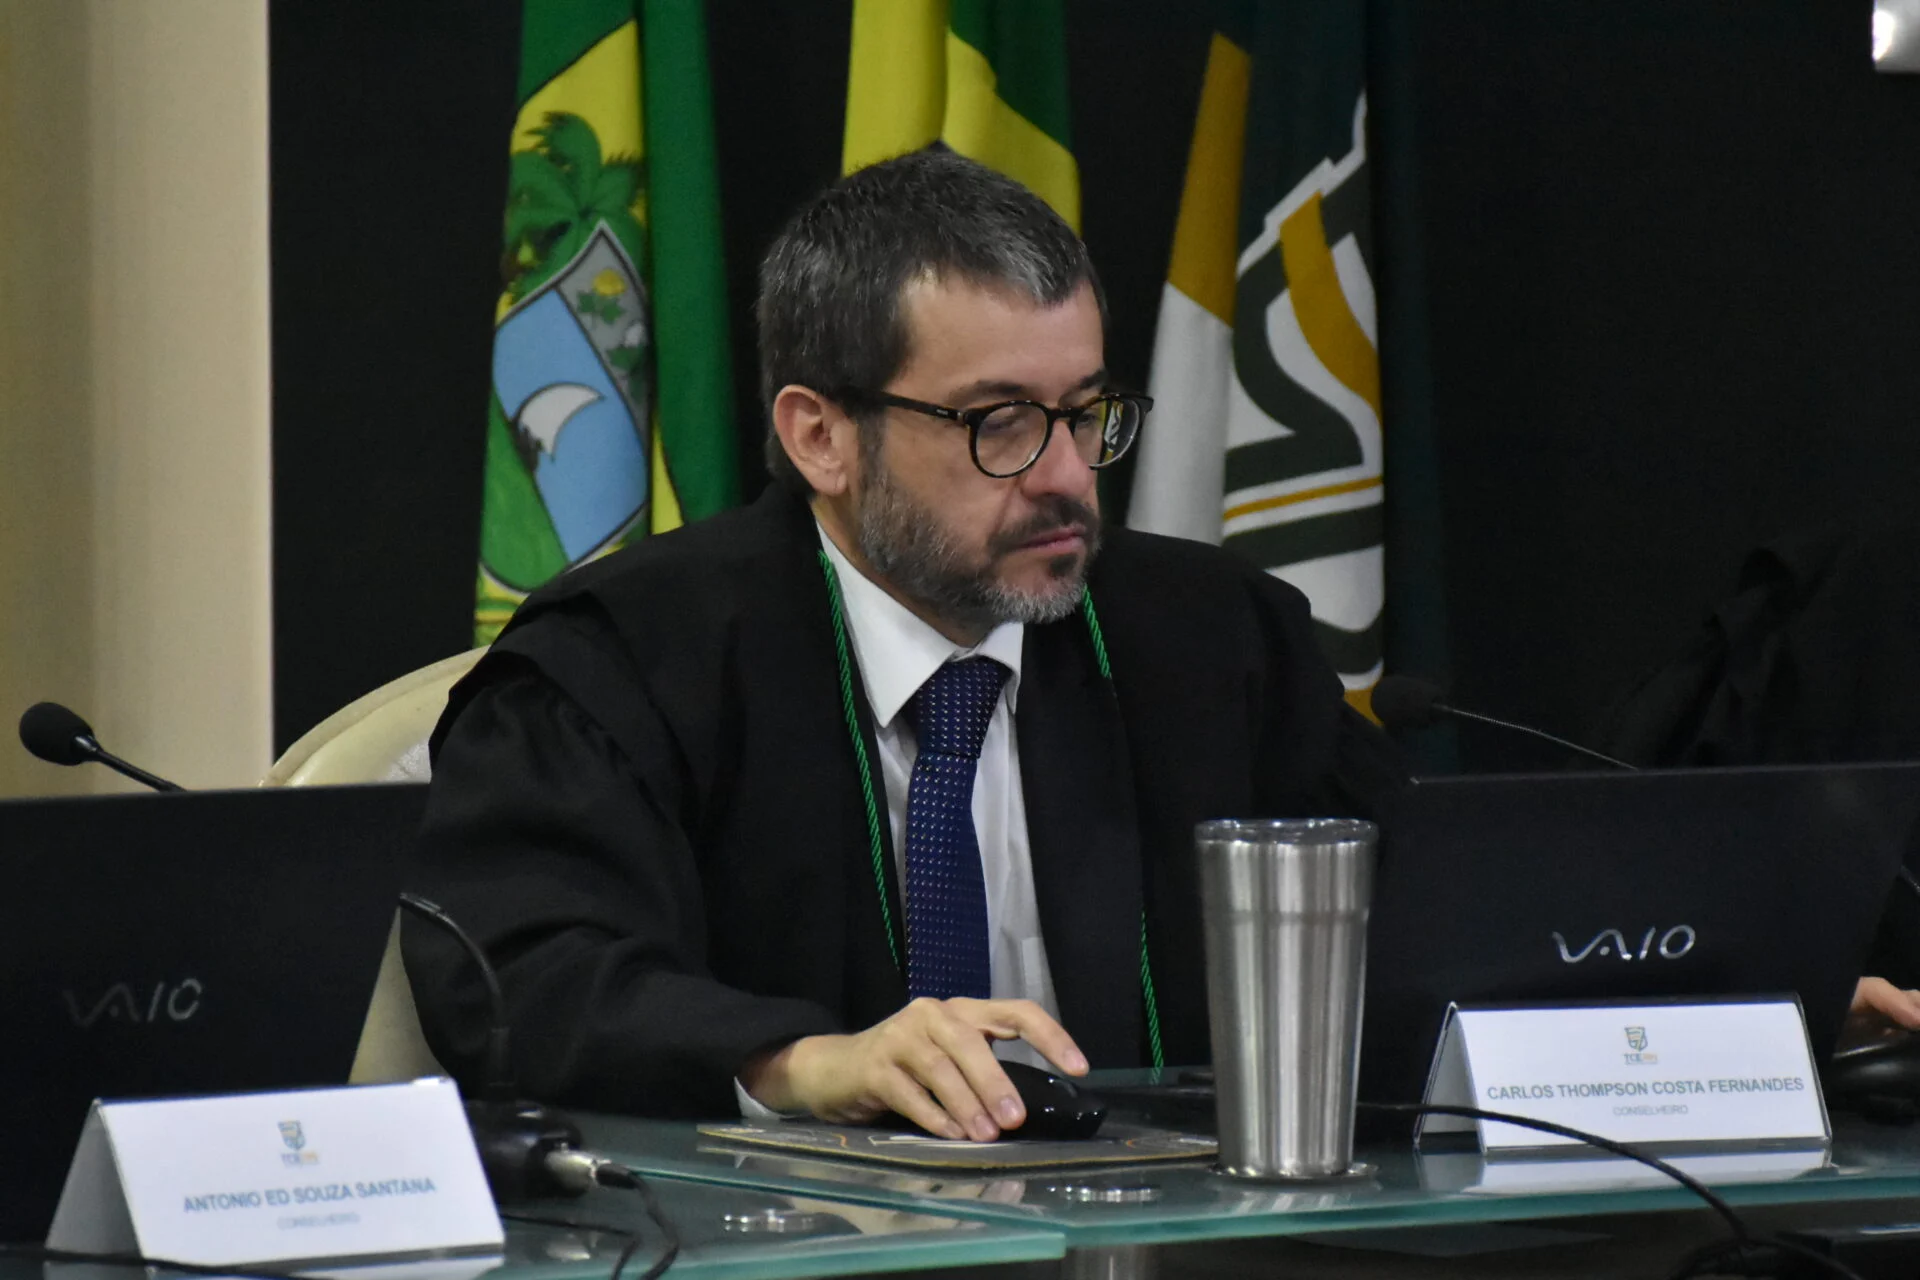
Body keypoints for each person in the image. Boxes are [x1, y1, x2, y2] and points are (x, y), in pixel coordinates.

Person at [404, 147, 1402, 1141]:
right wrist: (800, 1060)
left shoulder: (1216, 640)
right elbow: (524, 978)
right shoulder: (625, 662)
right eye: (1002, 422)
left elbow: (1404, 929)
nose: (1066, 475)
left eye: (1086, 413)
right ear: (820, 437)